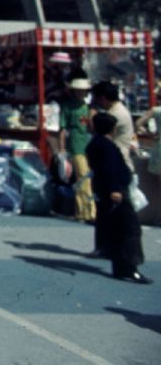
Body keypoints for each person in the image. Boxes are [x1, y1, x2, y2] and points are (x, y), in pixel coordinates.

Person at [86, 112, 151, 284]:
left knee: (118, 229)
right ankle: (130, 268)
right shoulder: (106, 146)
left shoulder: (96, 144)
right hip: (115, 191)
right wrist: (115, 189)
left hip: (107, 190)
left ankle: (121, 266)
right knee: (130, 228)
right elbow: (109, 169)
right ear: (112, 128)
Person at [59, 75, 95, 227]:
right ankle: (86, 211)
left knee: (87, 178)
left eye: (83, 91)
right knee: (83, 178)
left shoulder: (89, 108)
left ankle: (86, 210)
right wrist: (62, 149)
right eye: (78, 90)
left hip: (88, 143)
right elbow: (62, 129)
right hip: (76, 143)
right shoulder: (68, 107)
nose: (81, 93)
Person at [92, 81, 138, 161]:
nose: (97, 103)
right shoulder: (118, 109)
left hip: (116, 160)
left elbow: (95, 130)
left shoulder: (115, 114)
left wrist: (92, 109)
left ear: (103, 98)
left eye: (96, 99)